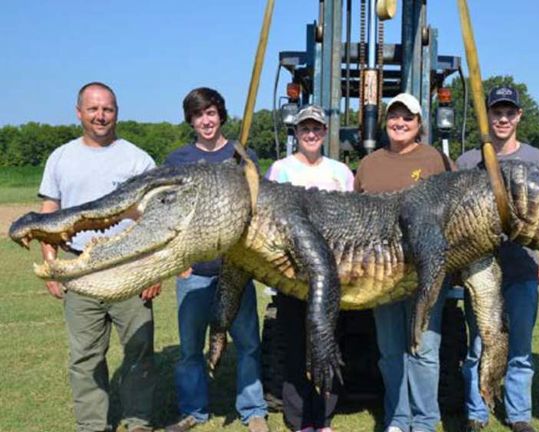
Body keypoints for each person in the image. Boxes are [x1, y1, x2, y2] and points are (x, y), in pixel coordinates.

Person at [38, 82, 160, 432]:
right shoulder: (61, 158)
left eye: (107, 108)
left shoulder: (138, 159)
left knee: (138, 354)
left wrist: (153, 271)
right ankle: (93, 425)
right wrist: (51, 265)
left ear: (116, 112)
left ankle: (138, 422)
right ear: (79, 112)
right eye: (93, 109)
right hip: (79, 270)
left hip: (129, 268)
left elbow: (155, 217)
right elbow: (50, 212)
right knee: (85, 357)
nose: (101, 115)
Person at [164, 87, 269, 432]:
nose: (205, 121)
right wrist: (180, 262)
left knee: (248, 343)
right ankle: (194, 411)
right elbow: (167, 214)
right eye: (198, 115)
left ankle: (253, 409)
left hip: (236, 270)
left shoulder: (244, 156)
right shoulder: (177, 161)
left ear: (221, 115)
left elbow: (260, 210)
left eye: (210, 113)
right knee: (191, 348)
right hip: (194, 272)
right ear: (190, 120)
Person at [354, 92, 454, 432]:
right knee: (391, 350)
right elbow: (355, 216)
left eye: (407, 118)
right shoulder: (370, 163)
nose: (400, 123)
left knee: (423, 349)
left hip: (425, 272)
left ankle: (425, 421)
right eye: (394, 117)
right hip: (382, 274)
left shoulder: (436, 160)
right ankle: (398, 418)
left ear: (419, 123)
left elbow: (454, 211)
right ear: (385, 121)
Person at [456, 86, 539, 432]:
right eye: (496, 112)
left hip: (522, 267)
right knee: (479, 345)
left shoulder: (538, 160)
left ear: (519, 116)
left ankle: (518, 414)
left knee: (520, 348)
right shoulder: (468, 162)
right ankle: (477, 411)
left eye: (509, 112)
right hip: (480, 269)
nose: (502, 118)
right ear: (487, 116)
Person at [264, 104, 355, 432]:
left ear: (325, 132)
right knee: (294, 346)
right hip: (292, 277)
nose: (311, 133)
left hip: (330, 279)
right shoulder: (280, 170)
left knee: (328, 345)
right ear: (297, 133)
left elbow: (352, 223)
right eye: (305, 128)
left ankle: (324, 416)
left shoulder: (341, 173)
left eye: (317, 128)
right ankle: (300, 418)